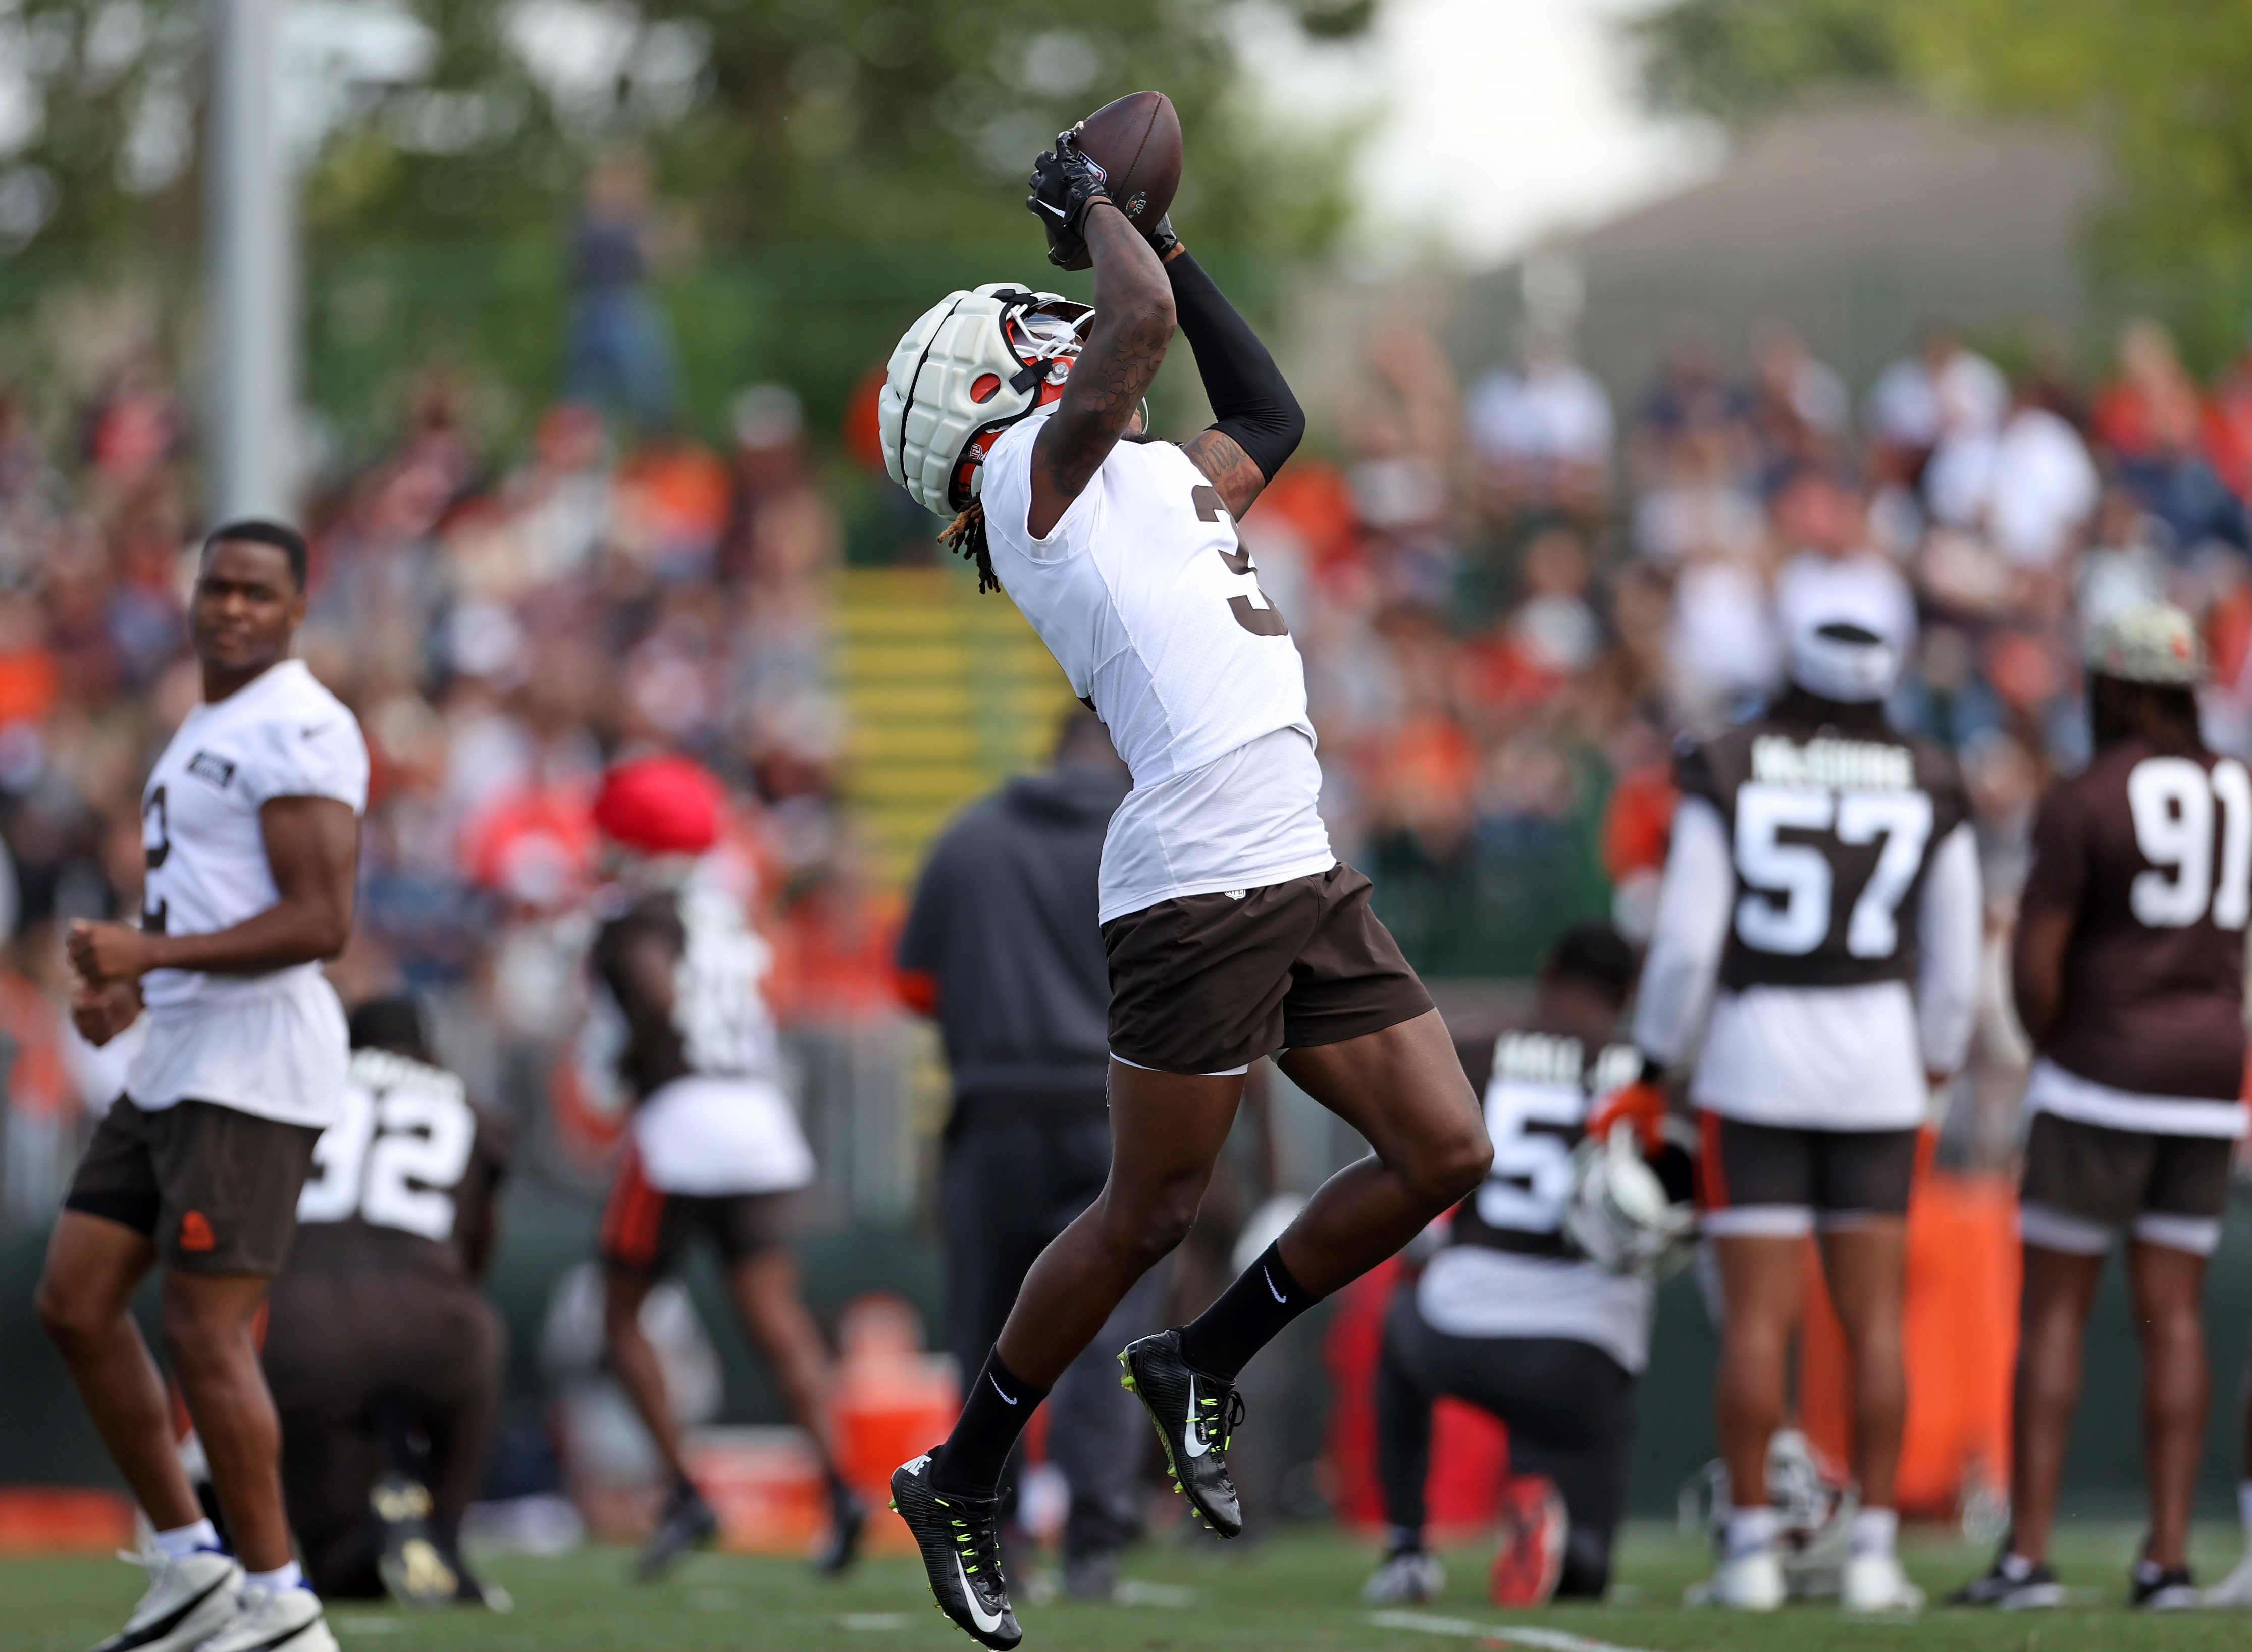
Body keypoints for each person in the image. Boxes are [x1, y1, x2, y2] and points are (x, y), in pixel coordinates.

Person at [873, 128, 1492, 1649]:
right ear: (998, 384)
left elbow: (1268, 411)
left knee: (1441, 1147)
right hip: (1201, 875)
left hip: (1287, 848)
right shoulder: (1031, 479)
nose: (1073, 323)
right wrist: (1099, 209)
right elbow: (1135, 321)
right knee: (1146, 1208)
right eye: (1046, 328)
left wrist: (1160, 229)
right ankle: (961, 1472)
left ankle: (1197, 1360)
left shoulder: (1137, 473)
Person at [34, 519, 368, 1652]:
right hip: (180, 1052)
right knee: (74, 1299)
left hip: (253, 1064)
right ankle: (190, 1567)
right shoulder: (210, 716)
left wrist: (152, 954)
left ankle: (281, 1604)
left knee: (205, 1329)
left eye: (256, 592)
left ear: (297, 608)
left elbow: (320, 922)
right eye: (217, 587)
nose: (231, 607)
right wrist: (135, 985)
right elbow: (220, 897)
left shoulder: (300, 721)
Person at [1631, 617, 1981, 1614]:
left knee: (1756, 1322)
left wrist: (1652, 1063)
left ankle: (1749, 1554)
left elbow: (1686, 943)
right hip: (1878, 1062)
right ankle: (1871, 1553)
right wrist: (1933, 1066)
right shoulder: (1928, 772)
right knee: (1874, 1325)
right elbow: (1957, 966)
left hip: (1755, 1057)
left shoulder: (1731, 760)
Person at [1954, 604, 2247, 1612]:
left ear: (2115, 685)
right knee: (2175, 1317)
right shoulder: (2238, 785)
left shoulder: (2086, 794)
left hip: (2100, 1072)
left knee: (2052, 1313)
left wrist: (2061, 1047)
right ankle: (2165, 1559)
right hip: (2207, 1078)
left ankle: (2027, 1555)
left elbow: (2033, 970)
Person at [897, 709, 1166, 1601]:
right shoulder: (1149, 835)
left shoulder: (968, 835)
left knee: (987, 1336)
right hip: (1117, 1116)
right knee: (1108, 1333)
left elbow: (911, 984)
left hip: (992, 1116)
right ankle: (1093, 1544)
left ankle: (989, 1536)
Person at [581, 753, 864, 1579]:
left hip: (680, 1123)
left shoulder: (635, 921)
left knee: (617, 1315)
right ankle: (841, 1486)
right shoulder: (729, 914)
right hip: (756, 1118)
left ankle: (683, 1489)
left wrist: (630, 1060)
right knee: (777, 1319)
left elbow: (657, 998)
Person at [1364, 923, 1689, 1609]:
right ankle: (1569, 1540)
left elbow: (1401, 1170)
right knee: (1586, 1558)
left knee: (1396, 1330)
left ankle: (1407, 1549)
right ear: (1628, 993)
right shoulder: (1649, 1075)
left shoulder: (1479, 1047)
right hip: (1581, 1350)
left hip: (1458, 1329)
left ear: (1547, 970)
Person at [261, 996, 510, 1609]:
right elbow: (480, 1236)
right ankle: (444, 1534)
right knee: (480, 1342)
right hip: (431, 1321)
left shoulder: (297, 1098)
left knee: (335, 1568)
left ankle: (357, 1543)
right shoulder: (469, 1107)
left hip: (308, 1327)